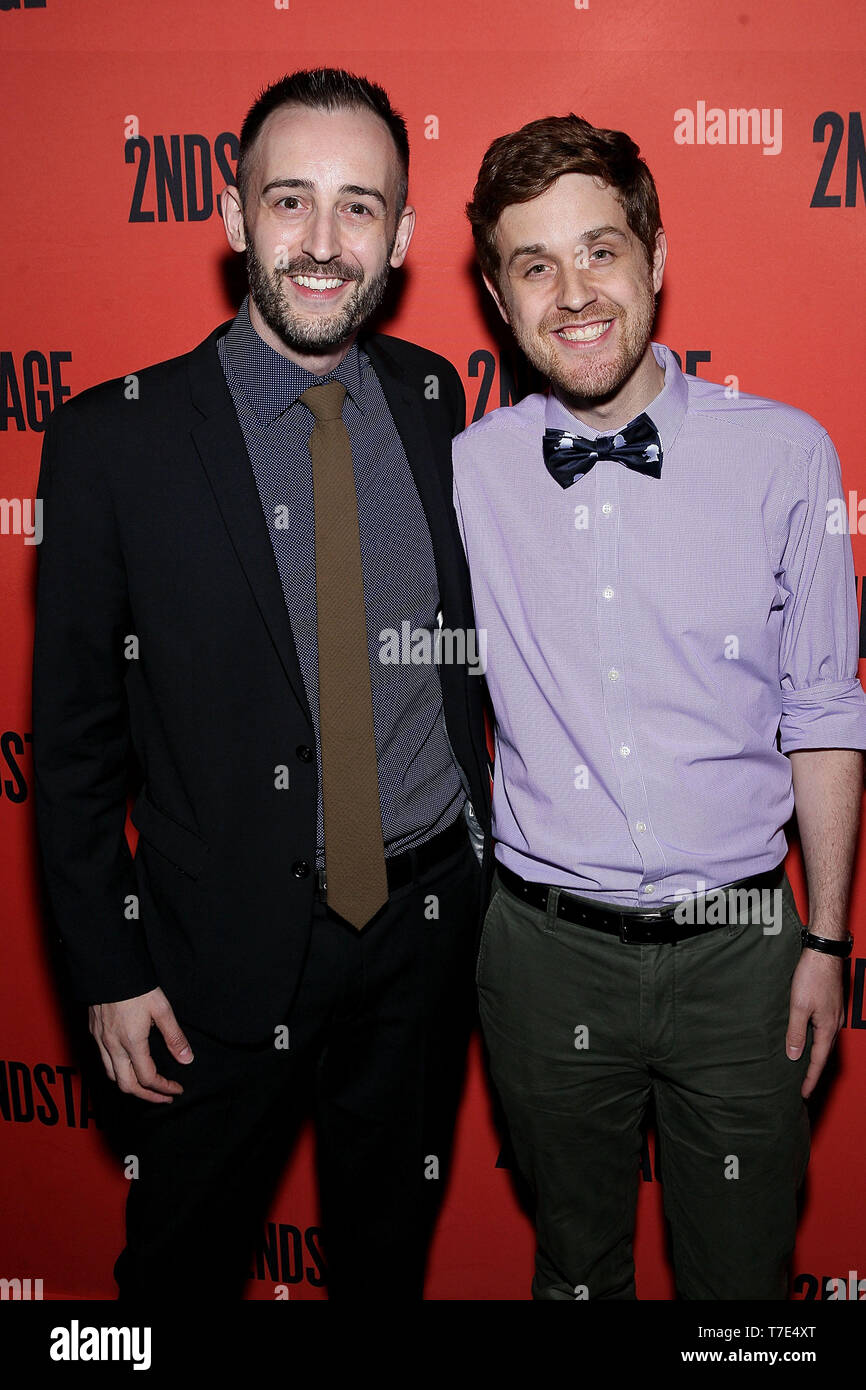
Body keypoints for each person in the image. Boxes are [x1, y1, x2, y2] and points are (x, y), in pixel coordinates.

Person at [32, 67, 491, 1301]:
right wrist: (110, 967)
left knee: (387, 1263)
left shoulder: (433, 398)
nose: (322, 243)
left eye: (358, 207)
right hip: (214, 953)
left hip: (423, 932)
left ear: (402, 235)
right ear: (234, 216)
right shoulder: (113, 439)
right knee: (173, 1275)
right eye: (290, 200)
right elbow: (71, 749)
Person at [451, 113, 866, 1300]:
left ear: (655, 258)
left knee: (740, 1289)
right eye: (534, 266)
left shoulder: (785, 455)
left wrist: (824, 940)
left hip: (741, 956)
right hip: (542, 958)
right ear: (498, 298)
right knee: (572, 1272)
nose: (573, 294)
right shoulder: (468, 470)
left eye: (599, 251)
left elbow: (822, 711)